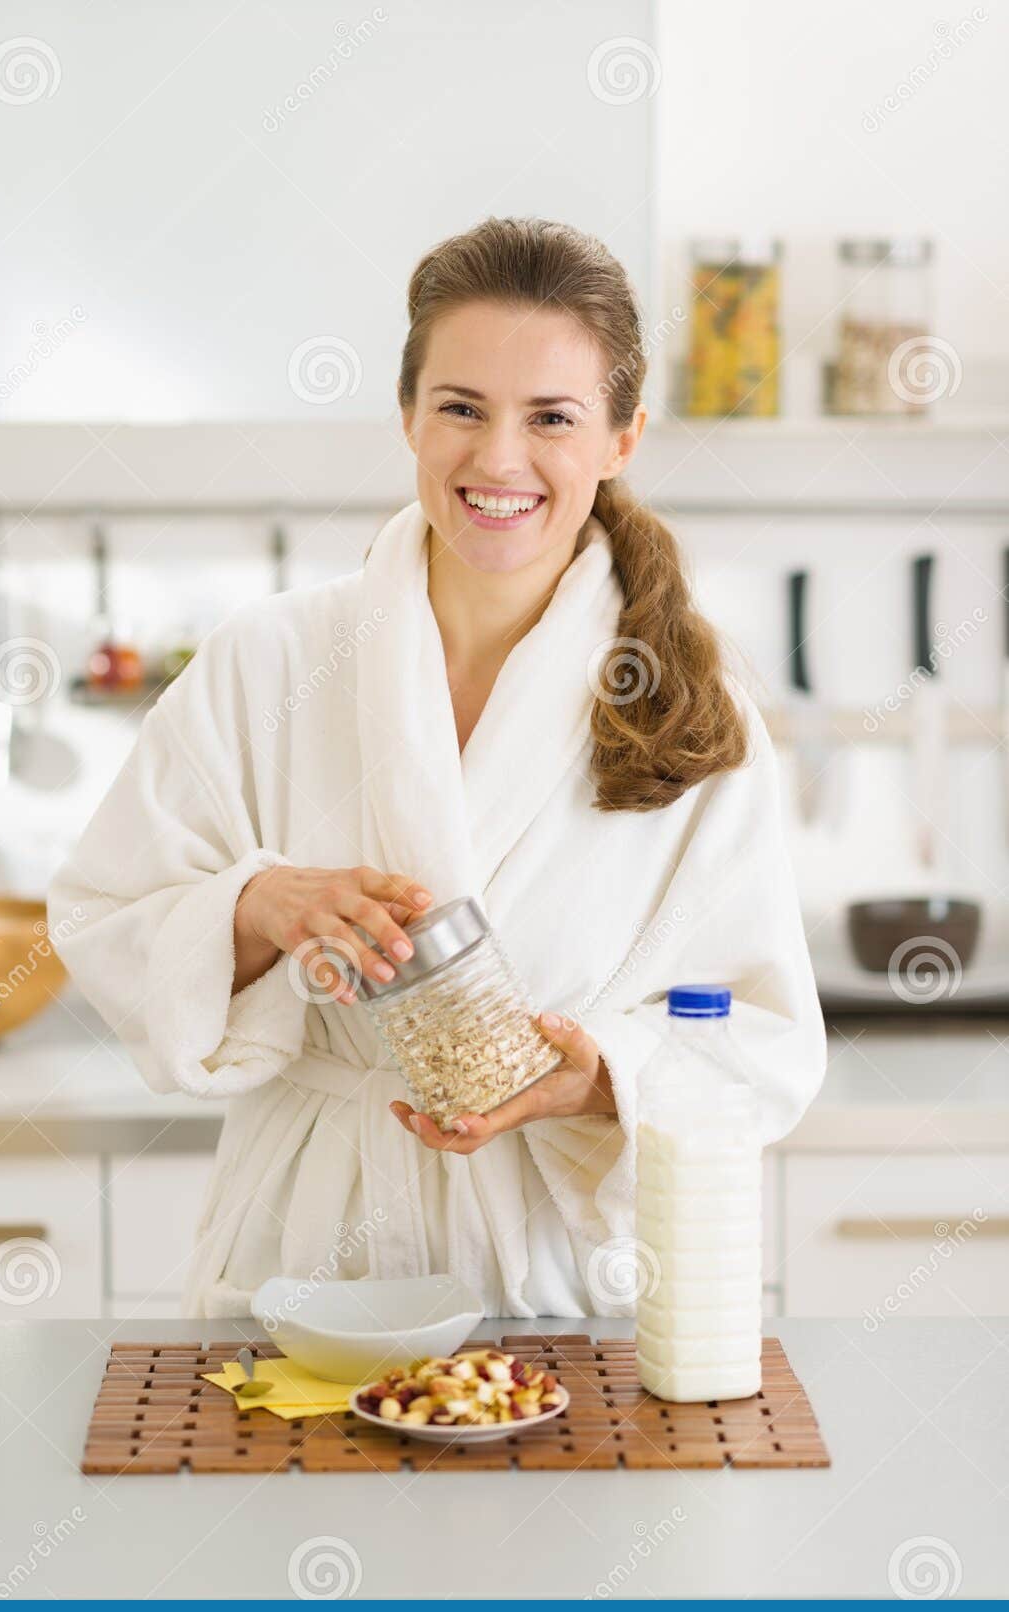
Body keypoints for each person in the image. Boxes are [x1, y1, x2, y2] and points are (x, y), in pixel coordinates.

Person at [47, 216, 826, 1319]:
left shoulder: (687, 705)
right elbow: (104, 917)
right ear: (408, 415)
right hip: (304, 1266)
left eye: (551, 418)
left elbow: (767, 1035)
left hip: (555, 1287)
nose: (498, 459)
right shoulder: (267, 662)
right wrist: (258, 906)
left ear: (621, 439)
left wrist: (603, 1072)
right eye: (461, 407)